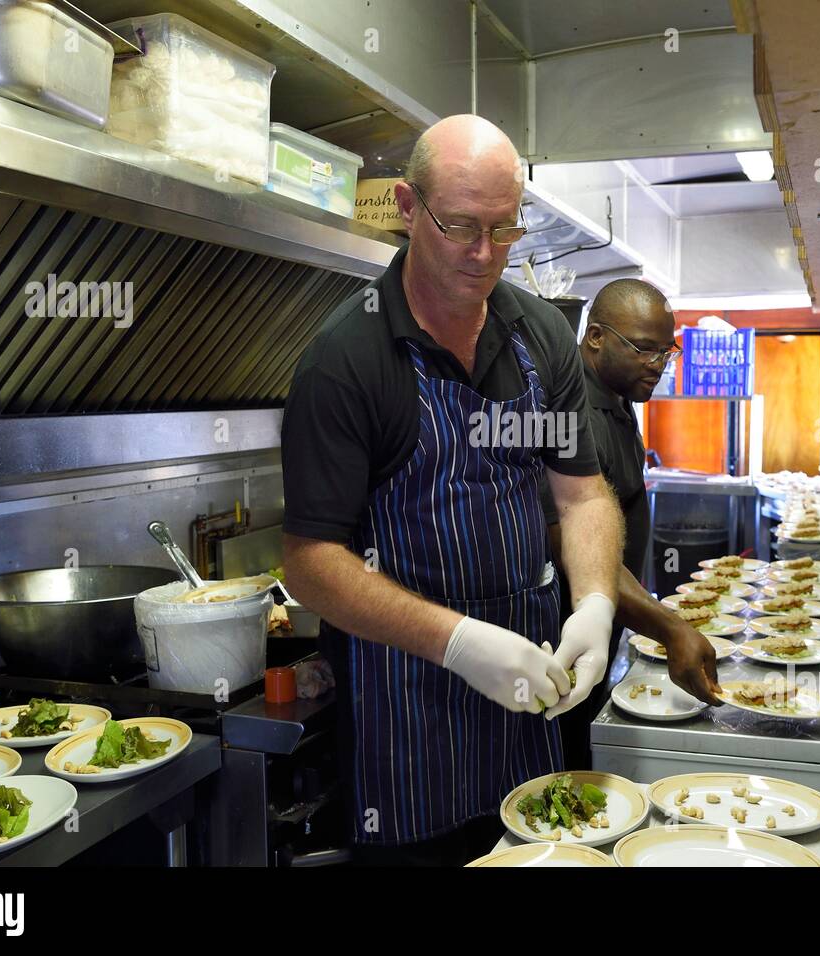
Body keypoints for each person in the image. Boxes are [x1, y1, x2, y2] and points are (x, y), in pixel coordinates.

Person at [280, 114, 623, 866]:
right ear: (407, 207)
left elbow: (583, 496)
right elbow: (309, 561)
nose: (483, 253)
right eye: (460, 225)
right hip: (409, 721)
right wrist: (459, 642)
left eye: (504, 230)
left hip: (534, 697)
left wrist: (595, 603)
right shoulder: (347, 358)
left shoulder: (541, 337)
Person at [549, 279, 726, 769]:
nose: (658, 365)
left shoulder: (618, 396)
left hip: (605, 629)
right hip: (567, 642)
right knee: (568, 770)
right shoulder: (573, 414)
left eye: (666, 350)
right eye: (643, 349)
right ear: (596, 337)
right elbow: (578, 545)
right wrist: (669, 628)